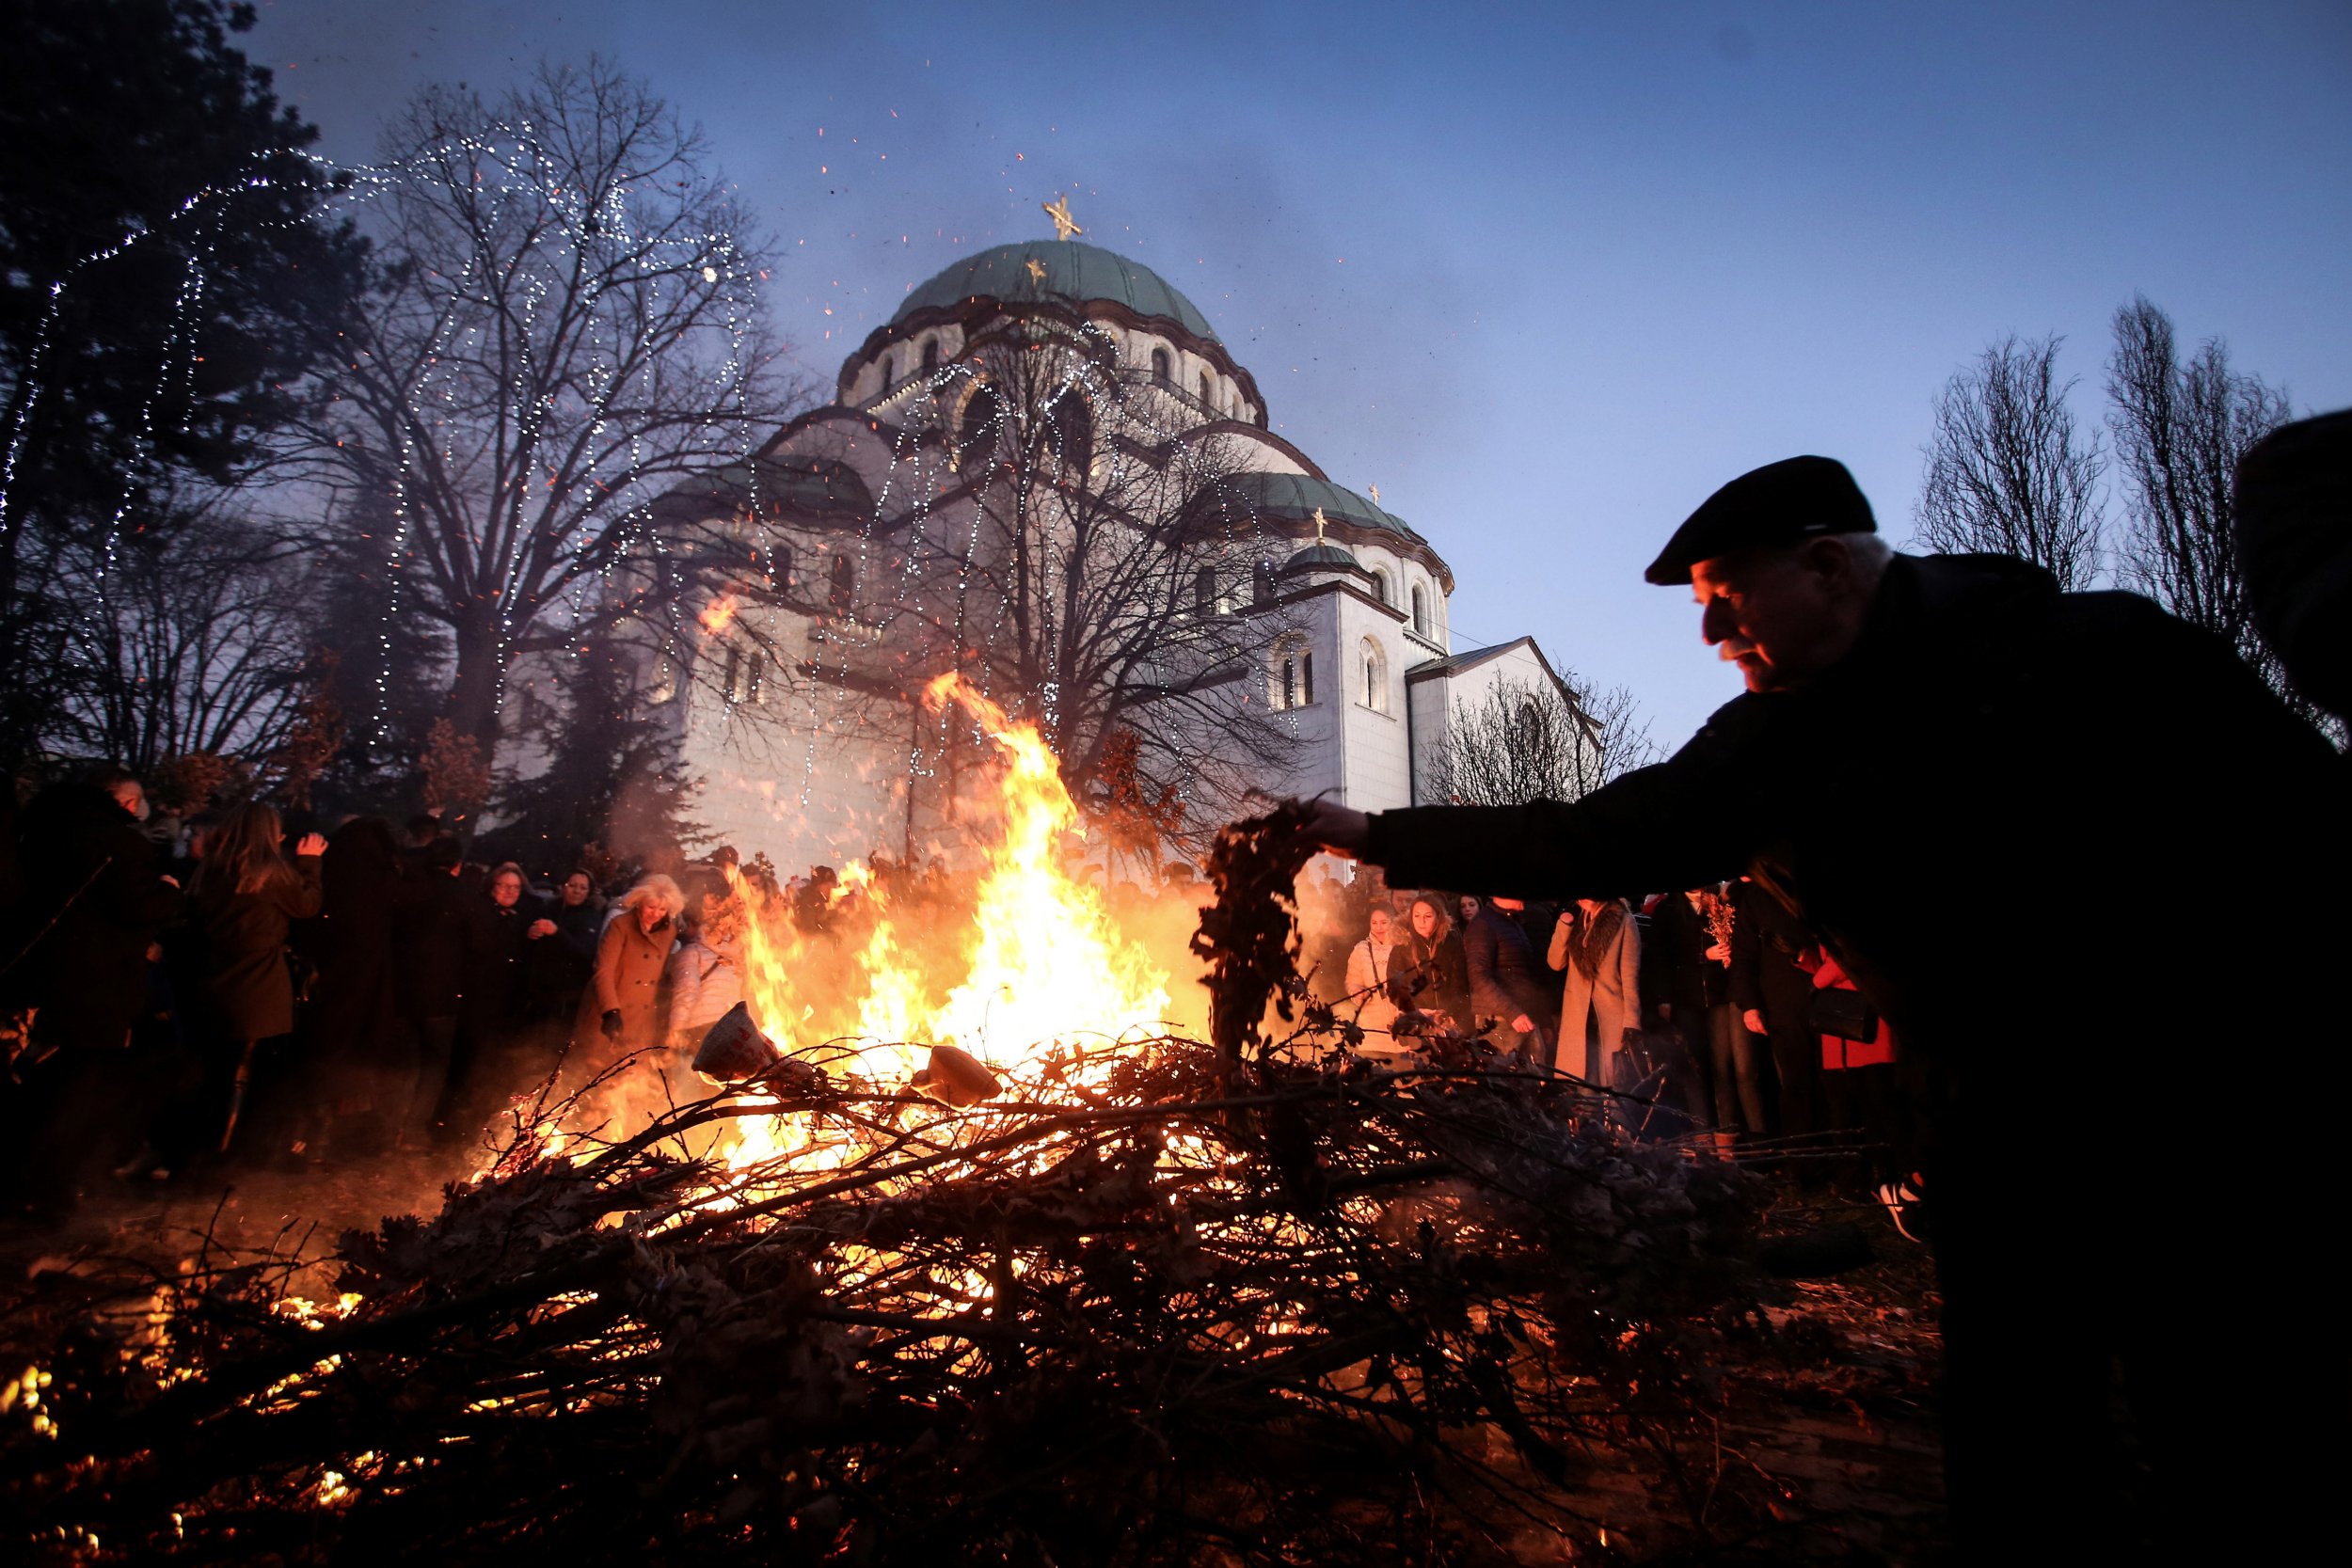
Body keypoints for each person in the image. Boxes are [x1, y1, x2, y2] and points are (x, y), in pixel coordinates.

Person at [1295, 452, 2344, 1557]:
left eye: (1725, 597)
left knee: (2240, 1415)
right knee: (2022, 1429)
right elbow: (1593, 836)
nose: (1709, 636)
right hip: (2002, 1129)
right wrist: (1377, 834)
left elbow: (2306, 837)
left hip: (2222, 1112)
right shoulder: (1778, 744)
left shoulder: (2104, 655)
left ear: (1830, 566)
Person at [7, 768, 185, 1210]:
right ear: (123, 802)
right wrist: (168, 891)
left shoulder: (41, 831)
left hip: (38, 976)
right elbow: (137, 904)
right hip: (93, 984)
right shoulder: (116, 843)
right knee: (77, 1086)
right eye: (136, 800)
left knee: (41, 1080)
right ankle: (49, 1189)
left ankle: (28, 1178)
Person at [191, 804, 326, 1160]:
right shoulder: (271, 873)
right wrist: (310, 864)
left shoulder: (211, 870)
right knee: (240, 1077)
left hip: (212, 981)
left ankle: (197, 1151)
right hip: (257, 985)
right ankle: (220, 1161)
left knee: (214, 1074)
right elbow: (307, 905)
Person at [1730, 873, 1821, 1140]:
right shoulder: (1757, 898)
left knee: (1832, 1086)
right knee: (1795, 1084)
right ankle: (1804, 1159)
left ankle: (1842, 1156)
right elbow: (1744, 955)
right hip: (1782, 1004)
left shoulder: (1807, 890)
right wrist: (1749, 1005)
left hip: (1824, 1000)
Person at [577, 874, 683, 1070]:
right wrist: (610, 1011)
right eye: (651, 907)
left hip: (641, 1020)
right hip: (610, 1011)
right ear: (639, 901)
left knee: (629, 1076)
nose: (656, 913)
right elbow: (603, 970)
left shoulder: (669, 932)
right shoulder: (620, 925)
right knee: (595, 1073)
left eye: (662, 909)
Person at [1545, 896, 1641, 1087]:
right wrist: (1564, 925)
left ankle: (1613, 1117)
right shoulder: (1578, 919)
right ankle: (1583, 1117)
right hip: (1578, 1015)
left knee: (1611, 1082)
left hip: (1610, 1014)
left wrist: (1632, 1021)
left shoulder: (1623, 921)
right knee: (1580, 1083)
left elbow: (1630, 976)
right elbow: (1555, 963)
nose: (1580, 900)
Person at [1459, 895, 1555, 1069]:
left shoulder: (1512, 922)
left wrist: (1543, 1019)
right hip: (1500, 1020)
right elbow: (1479, 976)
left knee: (1535, 1074)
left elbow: (1527, 975)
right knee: (1503, 1079)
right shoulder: (1483, 925)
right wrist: (1512, 1013)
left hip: (1523, 1016)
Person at [665, 892, 743, 1046]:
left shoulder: (691, 952)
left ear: (692, 924)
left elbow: (687, 992)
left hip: (700, 1027)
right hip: (730, 1024)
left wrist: (675, 1031)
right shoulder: (733, 951)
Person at [1395, 895, 1470, 1032]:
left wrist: (1449, 1011)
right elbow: (1394, 984)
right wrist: (1415, 1009)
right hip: (1417, 1020)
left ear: (1438, 916)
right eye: (1416, 916)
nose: (1421, 922)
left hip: (1448, 1019)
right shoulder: (1403, 945)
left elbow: (1459, 982)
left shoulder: (1451, 941)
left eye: (1428, 916)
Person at [1341, 904, 1404, 1050]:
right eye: (1374, 923)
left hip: (1399, 1019)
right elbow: (1352, 980)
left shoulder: (1401, 946)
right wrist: (1358, 992)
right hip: (1371, 1023)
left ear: (1392, 922)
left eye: (1383, 923)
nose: (1378, 927)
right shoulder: (1361, 949)